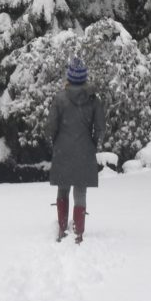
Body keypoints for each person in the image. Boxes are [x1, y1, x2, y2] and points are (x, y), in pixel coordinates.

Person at [46, 55, 105, 243]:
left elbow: (50, 127)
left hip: (63, 149)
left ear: (69, 76)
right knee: (80, 190)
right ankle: (79, 232)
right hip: (84, 150)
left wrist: (56, 142)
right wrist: (92, 142)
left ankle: (62, 228)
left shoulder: (60, 98)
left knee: (63, 189)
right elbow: (101, 127)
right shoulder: (93, 99)